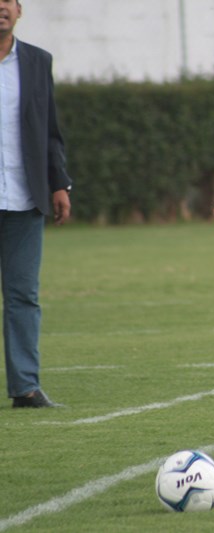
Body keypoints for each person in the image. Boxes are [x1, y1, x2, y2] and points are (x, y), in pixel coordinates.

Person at [1, 0, 72, 408]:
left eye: (7, 0)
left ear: (19, 9)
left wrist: (58, 183)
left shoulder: (37, 61)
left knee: (23, 296)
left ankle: (25, 387)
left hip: (24, 197)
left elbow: (49, 131)